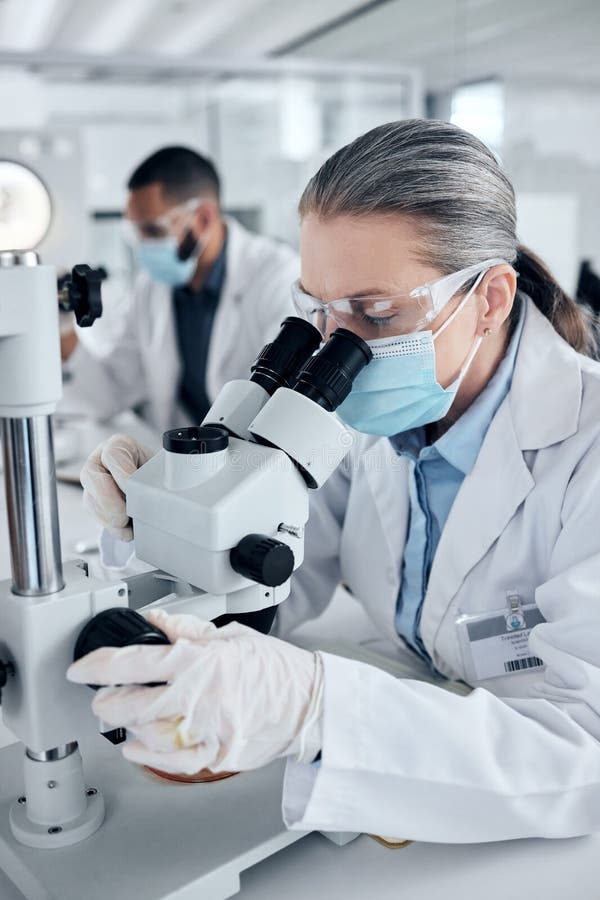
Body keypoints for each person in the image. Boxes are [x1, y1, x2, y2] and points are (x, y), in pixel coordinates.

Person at [69, 120, 600, 844]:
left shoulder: (586, 447)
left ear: (491, 299)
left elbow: (584, 757)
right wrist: (171, 525)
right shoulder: (368, 425)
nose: (336, 348)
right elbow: (273, 591)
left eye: (376, 314)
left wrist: (316, 708)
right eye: (318, 314)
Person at [61, 146, 298, 431]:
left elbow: (285, 403)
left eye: (152, 231)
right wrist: (63, 331)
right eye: (135, 233)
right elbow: (110, 393)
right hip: (186, 460)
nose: (142, 246)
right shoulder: (150, 288)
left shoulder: (278, 277)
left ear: (203, 219)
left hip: (259, 461)